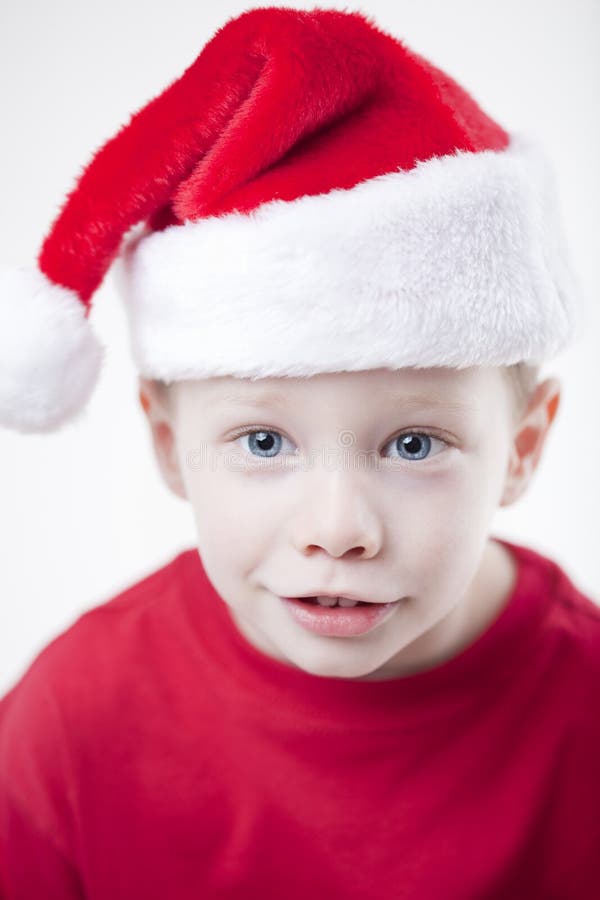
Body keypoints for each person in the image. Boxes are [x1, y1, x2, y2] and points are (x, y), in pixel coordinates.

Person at [0, 6, 598, 898]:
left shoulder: (585, 715)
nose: (338, 530)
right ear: (170, 446)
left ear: (522, 448)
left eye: (412, 442)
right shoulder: (72, 723)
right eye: (265, 440)